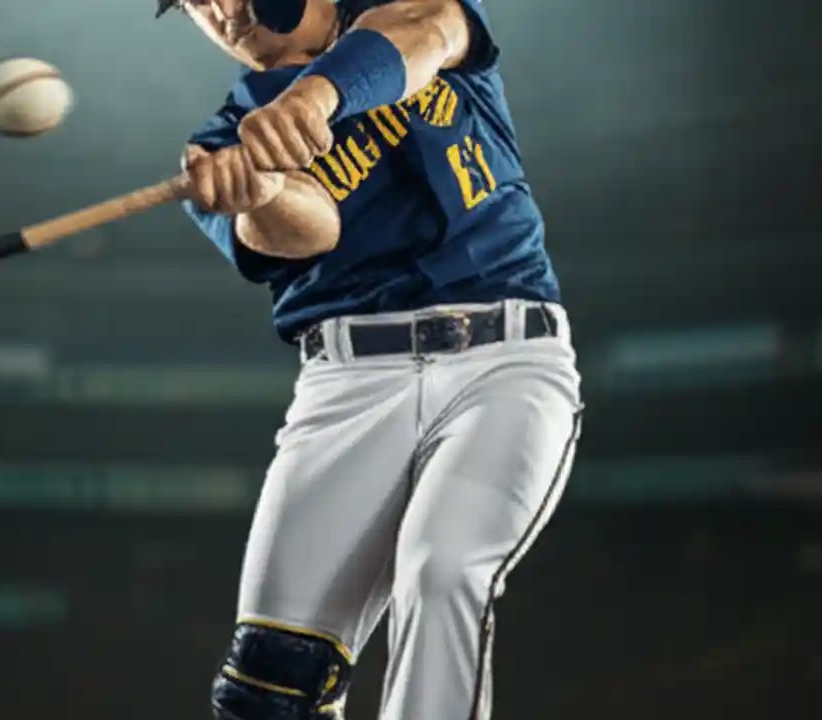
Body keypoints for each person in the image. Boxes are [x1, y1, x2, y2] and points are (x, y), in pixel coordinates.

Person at [158, 1, 584, 717]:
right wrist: (262, 193)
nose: (220, 10)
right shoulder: (222, 143)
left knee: (442, 571)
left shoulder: (396, 9)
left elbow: (427, 32)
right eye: (192, 1)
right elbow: (310, 229)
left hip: (502, 360)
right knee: (268, 685)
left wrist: (315, 96)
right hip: (347, 384)